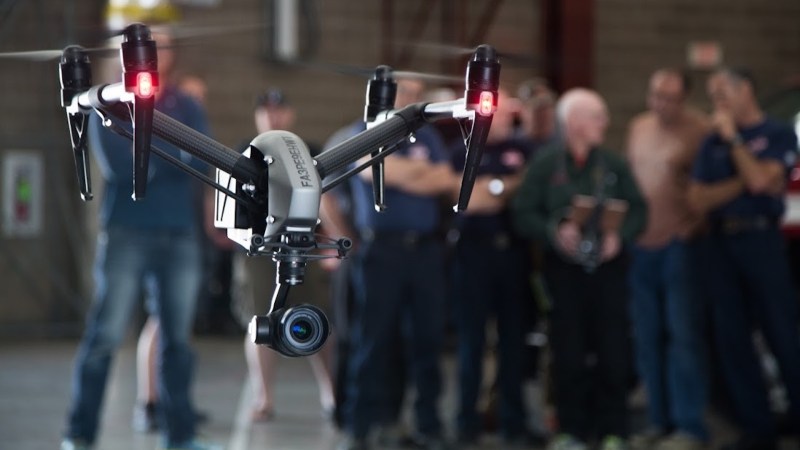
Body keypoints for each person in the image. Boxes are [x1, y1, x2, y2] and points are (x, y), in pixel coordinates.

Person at [61, 30, 220, 450]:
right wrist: (172, 154)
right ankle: (79, 434)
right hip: (126, 233)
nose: (154, 53)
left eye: (162, 45)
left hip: (179, 233)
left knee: (178, 342)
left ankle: (180, 436)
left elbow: (201, 160)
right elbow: (120, 168)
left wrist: (151, 152)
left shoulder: (187, 104)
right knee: (105, 337)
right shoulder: (108, 100)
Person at [512, 88, 647, 450]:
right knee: (567, 351)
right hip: (564, 273)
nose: (605, 123)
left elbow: (638, 209)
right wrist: (554, 230)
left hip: (608, 272)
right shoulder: (546, 164)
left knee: (613, 350)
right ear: (574, 122)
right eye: (597, 116)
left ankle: (614, 431)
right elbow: (523, 213)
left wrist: (619, 236)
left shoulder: (613, 165)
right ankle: (570, 430)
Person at [338, 78, 458, 450]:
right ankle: (362, 425)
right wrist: (415, 172)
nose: (411, 99)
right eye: (404, 92)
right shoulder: (364, 131)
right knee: (373, 340)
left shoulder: (428, 136)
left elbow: (445, 179)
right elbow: (372, 169)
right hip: (382, 252)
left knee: (427, 340)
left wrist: (399, 171)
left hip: (424, 252)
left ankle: (428, 425)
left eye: (416, 94)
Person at [687, 67, 800, 450]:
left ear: (745, 90)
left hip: (761, 240)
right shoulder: (710, 142)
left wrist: (736, 142)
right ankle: (757, 428)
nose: (717, 103)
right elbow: (698, 200)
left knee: (781, 332)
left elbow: (762, 182)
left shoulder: (777, 133)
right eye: (712, 96)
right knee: (732, 338)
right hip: (720, 243)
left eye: (722, 94)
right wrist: (748, 178)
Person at [232, 88, 336, 421]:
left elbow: (327, 200)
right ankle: (264, 398)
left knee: (318, 319)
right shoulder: (246, 152)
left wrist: (332, 242)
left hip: (304, 247)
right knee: (261, 321)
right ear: (257, 116)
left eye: (278, 109)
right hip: (259, 250)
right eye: (266, 110)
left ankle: (332, 393)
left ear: (290, 114)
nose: (273, 116)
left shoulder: (308, 152)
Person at [449, 88, 543, 447]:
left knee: (514, 341)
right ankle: (466, 422)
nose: (501, 119)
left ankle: (513, 421)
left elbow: (530, 191)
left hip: (513, 254)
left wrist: (497, 189)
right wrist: (507, 187)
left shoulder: (525, 150)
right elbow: (469, 201)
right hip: (473, 253)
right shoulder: (461, 152)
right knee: (471, 341)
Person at [624, 68, 712, 450]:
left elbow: (710, 186)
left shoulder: (700, 130)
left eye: (670, 99)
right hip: (641, 245)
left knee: (682, 337)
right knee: (647, 337)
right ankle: (657, 420)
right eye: (656, 96)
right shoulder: (639, 127)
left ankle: (689, 425)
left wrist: (694, 226)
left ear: (684, 99)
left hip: (679, 245)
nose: (661, 105)